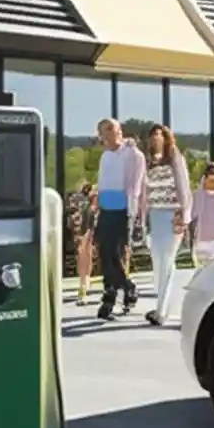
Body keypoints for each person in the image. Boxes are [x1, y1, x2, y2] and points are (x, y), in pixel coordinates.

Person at [93, 118, 145, 320]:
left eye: (112, 129)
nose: (109, 134)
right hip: (106, 209)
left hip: (123, 210)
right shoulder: (105, 156)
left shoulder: (133, 154)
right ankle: (123, 288)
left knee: (116, 254)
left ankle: (115, 293)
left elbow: (136, 186)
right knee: (105, 253)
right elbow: (102, 181)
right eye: (105, 130)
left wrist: (135, 213)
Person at [141, 123, 192, 327]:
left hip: (173, 214)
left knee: (168, 261)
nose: (156, 138)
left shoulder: (175, 159)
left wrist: (184, 215)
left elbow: (185, 188)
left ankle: (162, 312)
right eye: (153, 135)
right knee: (157, 263)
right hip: (155, 215)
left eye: (159, 134)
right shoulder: (147, 162)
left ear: (166, 137)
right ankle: (161, 306)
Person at [68, 182, 97, 306]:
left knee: (87, 247)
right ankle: (83, 285)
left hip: (94, 193)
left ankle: (85, 281)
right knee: (82, 248)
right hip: (77, 196)